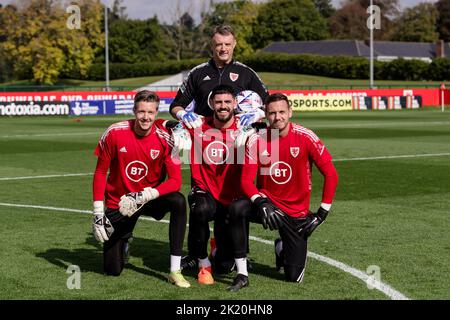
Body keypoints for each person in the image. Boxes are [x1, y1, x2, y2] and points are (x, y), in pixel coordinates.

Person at [169, 24, 269, 270]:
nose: (223, 49)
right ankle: (196, 254)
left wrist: (258, 112)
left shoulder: (246, 74)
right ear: (211, 46)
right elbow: (176, 105)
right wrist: (183, 115)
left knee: (236, 199)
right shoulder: (198, 73)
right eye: (218, 45)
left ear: (234, 44)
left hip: (237, 145)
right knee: (201, 205)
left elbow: (270, 104)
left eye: (227, 44)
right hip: (205, 147)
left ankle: (237, 253)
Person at [228, 93, 338, 289]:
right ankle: (241, 272)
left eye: (281, 112)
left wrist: (321, 214)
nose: (277, 117)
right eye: (272, 113)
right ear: (265, 115)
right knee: (237, 208)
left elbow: (331, 174)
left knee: (293, 277)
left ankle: (281, 248)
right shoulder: (257, 140)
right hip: (268, 206)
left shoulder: (306, 137)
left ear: (290, 112)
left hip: (296, 213)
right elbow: (246, 181)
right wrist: (260, 202)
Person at [91, 90, 190, 288]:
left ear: (156, 113)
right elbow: (101, 172)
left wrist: (146, 194)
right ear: (134, 111)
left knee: (178, 200)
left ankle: (175, 270)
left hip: (149, 198)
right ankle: (125, 238)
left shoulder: (169, 137)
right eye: (142, 111)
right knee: (112, 270)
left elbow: (175, 181)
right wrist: (97, 212)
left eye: (151, 112)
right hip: (120, 203)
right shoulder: (114, 132)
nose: (146, 117)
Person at [180, 84, 251, 291]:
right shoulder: (198, 125)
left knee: (224, 265)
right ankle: (203, 263)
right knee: (200, 209)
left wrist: (257, 119)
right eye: (218, 102)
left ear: (235, 104)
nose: (223, 106)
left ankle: (216, 251)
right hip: (206, 192)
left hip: (232, 197)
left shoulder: (245, 127)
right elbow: (164, 124)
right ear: (211, 103)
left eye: (227, 102)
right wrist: (178, 123)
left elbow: (274, 130)